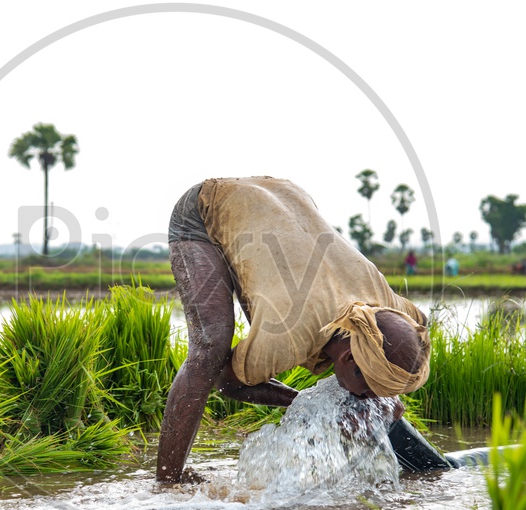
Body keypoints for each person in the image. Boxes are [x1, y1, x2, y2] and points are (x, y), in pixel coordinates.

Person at [157, 176, 431, 484]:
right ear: (348, 360)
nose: (367, 399)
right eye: (368, 390)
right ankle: (167, 480)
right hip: (207, 210)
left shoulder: (400, 311)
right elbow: (225, 381)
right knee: (211, 347)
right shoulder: (288, 334)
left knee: (265, 283)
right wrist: (311, 405)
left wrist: (387, 397)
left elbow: (409, 343)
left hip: (285, 198)